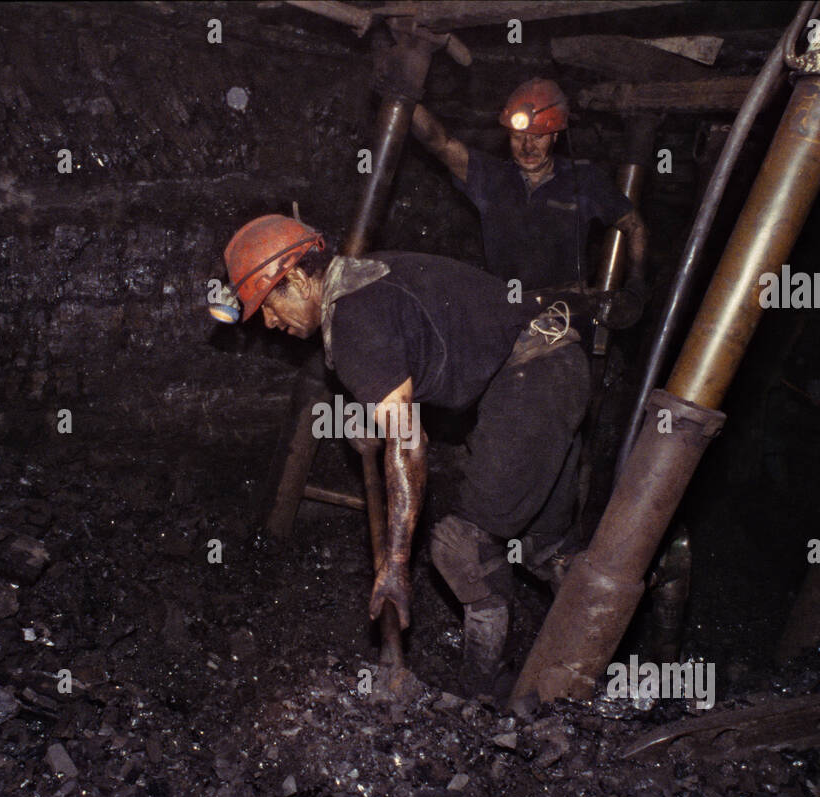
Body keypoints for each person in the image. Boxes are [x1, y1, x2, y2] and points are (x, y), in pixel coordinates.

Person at [215, 213, 597, 692]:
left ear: (294, 277)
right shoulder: (364, 283)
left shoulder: (354, 319)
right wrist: (372, 417)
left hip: (531, 383)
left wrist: (395, 564)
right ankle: (582, 676)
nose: (269, 323)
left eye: (267, 306)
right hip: (554, 366)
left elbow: (410, 439)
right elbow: (405, 368)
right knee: (549, 548)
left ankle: (484, 692)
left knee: (462, 548)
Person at [410, 77, 648, 305]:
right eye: (518, 137)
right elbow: (440, 142)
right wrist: (406, 94)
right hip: (505, 307)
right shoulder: (491, 178)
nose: (527, 147)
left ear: (555, 136)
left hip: (563, 312)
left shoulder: (583, 179)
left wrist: (635, 283)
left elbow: (634, 226)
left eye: (537, 138)